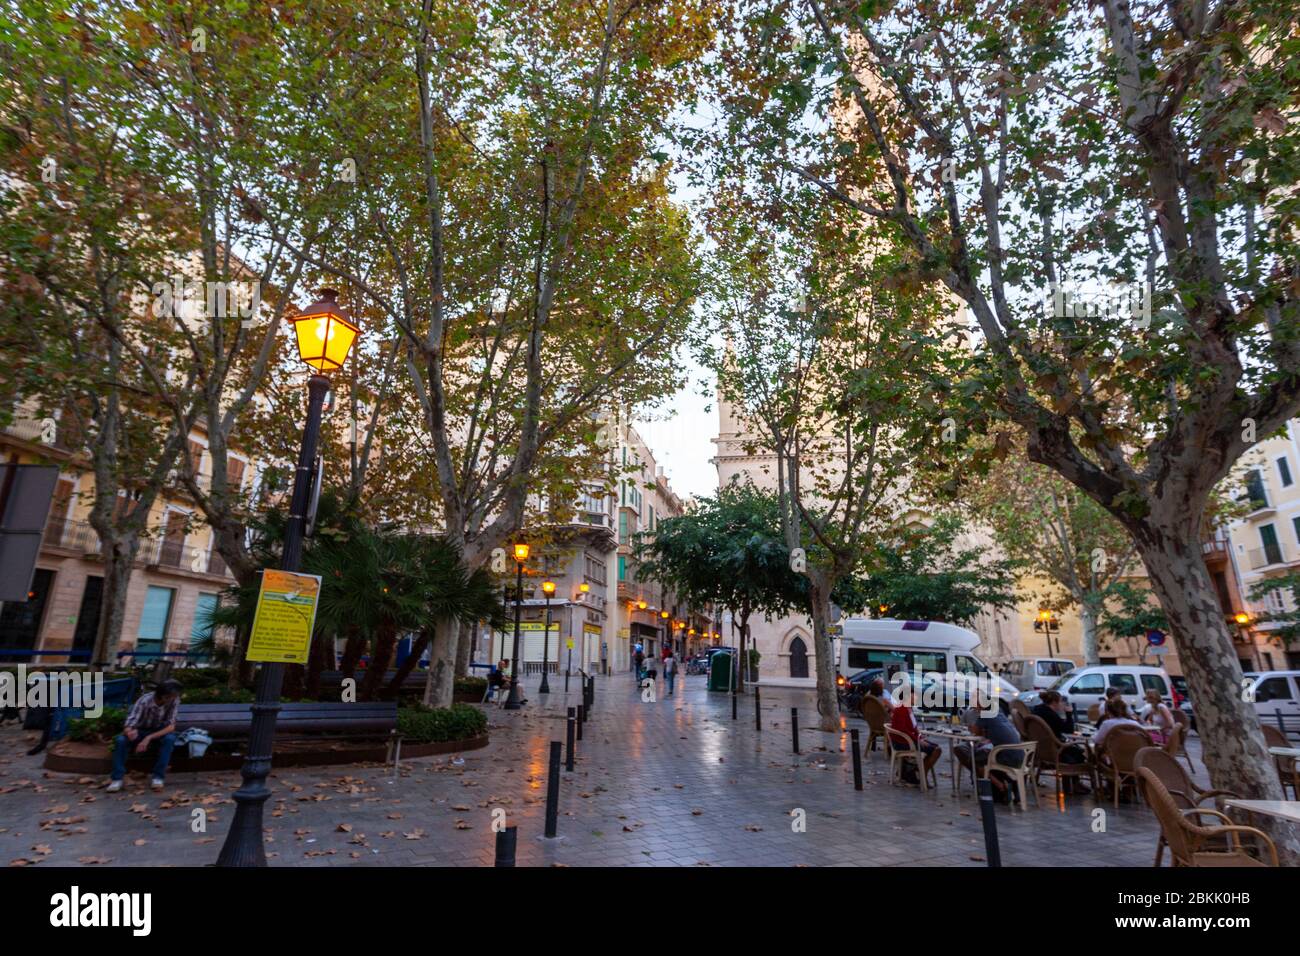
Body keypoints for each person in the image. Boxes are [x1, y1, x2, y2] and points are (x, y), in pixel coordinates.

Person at [107, 680, 182, 792]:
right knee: (121, 740)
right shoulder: (144, 701)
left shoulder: (174, 701)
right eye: (171, 696)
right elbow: (130, 722)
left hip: (158, 732)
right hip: (140, 731)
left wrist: (149, 738)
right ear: (164, 696)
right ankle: (117, 779)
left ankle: (158, 777)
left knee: (169, 739)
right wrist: (130, 732)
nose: (174, 698)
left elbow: (171, 727)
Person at [954, 701, 1025, 803]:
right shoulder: (998, 711)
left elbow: (975, 731)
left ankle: (1000, 786)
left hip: (1006, 756)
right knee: (979, 755)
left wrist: (974, 721)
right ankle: (1002, 786)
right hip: (1021, 755)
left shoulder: (985, 714)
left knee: (976, 760)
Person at [887, 683, 941, 785]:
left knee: (935, 748)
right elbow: (902, 729)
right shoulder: (901, 709)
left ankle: (915, 772)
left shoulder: (908, 708)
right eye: (914, 694)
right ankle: (921, 774)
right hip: (903, 742)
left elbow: (912, 727)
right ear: (908, 695)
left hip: (910, 739)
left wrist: (920, 736)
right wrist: (918, 740)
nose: (916, 697)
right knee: (936, 750)